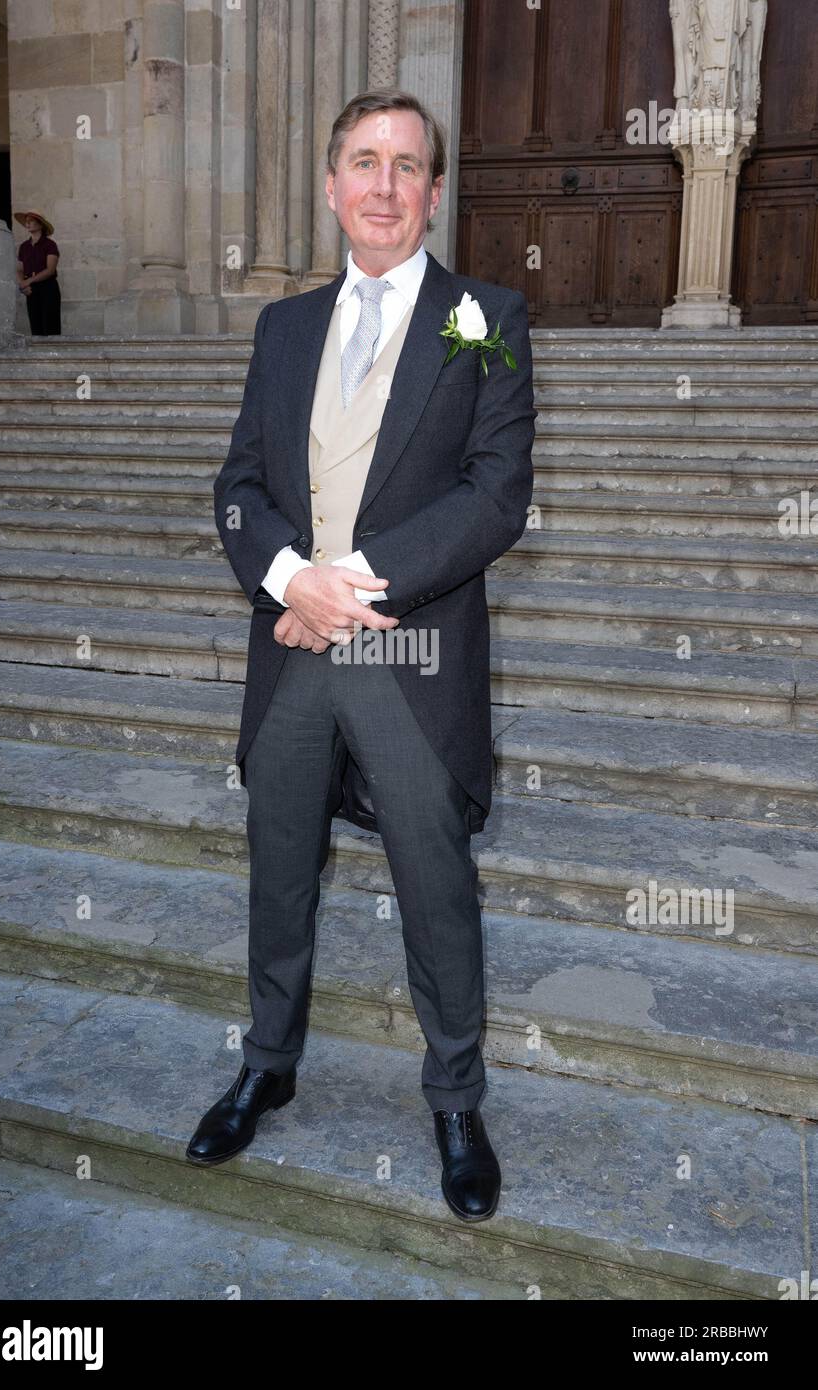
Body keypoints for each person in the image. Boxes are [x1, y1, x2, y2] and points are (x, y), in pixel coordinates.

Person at [187, 88, 536, 1223]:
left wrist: (348, 584)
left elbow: (494, 497)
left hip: (410, 651)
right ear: (332, 184)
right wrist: (292, 580)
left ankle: (452, 1097)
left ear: (433, 191)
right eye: (363, 161)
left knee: (436, 884)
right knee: (276, 868)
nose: (383, 185)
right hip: (289, 652)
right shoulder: (282, 328)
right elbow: (240, 488)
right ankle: (267, 1063)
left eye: (406, 165)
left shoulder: (480, 315)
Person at [14, 209, 61, 335]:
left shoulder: (50, 245)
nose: (27, 224)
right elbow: (19, 269)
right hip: (31, 290)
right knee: (36, 328)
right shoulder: (24, 246)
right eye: (26, 221)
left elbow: (50, 270)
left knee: (51, 327)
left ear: (40, 224)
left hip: (48, 287)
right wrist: (23, 284)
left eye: (31, 221)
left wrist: (29, 281)